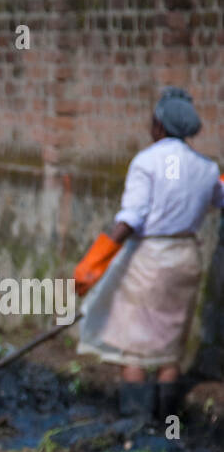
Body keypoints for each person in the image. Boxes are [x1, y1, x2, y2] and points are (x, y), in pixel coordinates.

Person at [75, 87, 224, 432]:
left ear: (158, 124)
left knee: (136, 346)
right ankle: (166, 425)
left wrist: (94, 263)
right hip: (187, 256)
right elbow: (220, 196)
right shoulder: (206, 168)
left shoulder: (147, 161)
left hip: (151, 259)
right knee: (169, 347)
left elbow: (131, 218)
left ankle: (136, 426)